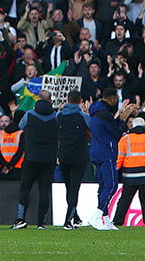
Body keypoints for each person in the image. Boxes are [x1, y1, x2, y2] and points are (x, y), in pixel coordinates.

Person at [12, 92, 57, 230]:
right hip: (49, 159)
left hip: (31, 157)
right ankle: (41, 223)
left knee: (25, 188)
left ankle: (21, 219)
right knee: (44, 190)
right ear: (50, 100)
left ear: (37, 99)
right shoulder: (56, 116)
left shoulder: (29, 115)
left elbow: (20, 126)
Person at [89, 94, 131, 230]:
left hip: (96, 151)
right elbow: (117, 133)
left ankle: (106, 220)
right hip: (106, 152)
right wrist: (122, 119)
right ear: (111, 99)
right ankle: (97, 216)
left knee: (102, 186)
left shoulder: (95, 112)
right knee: (111, 185)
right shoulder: (105, 114)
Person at [113, 116, 145, 227]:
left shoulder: (125, 139)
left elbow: (119, 158)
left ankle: (117, 222)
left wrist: (114, 172)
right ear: (144, 126)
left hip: (130, 177)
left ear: (132, 126)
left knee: (124, 201)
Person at [57, 90, 91, 230]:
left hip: (63, 155)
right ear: (80, 102)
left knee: (68, 187)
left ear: (67, 100)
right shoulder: (83, 116)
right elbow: (92, 129)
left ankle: (75, 218)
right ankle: (68, 220)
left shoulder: (59, 115)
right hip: (79, 156)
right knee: (74, 188)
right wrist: (87, 112)